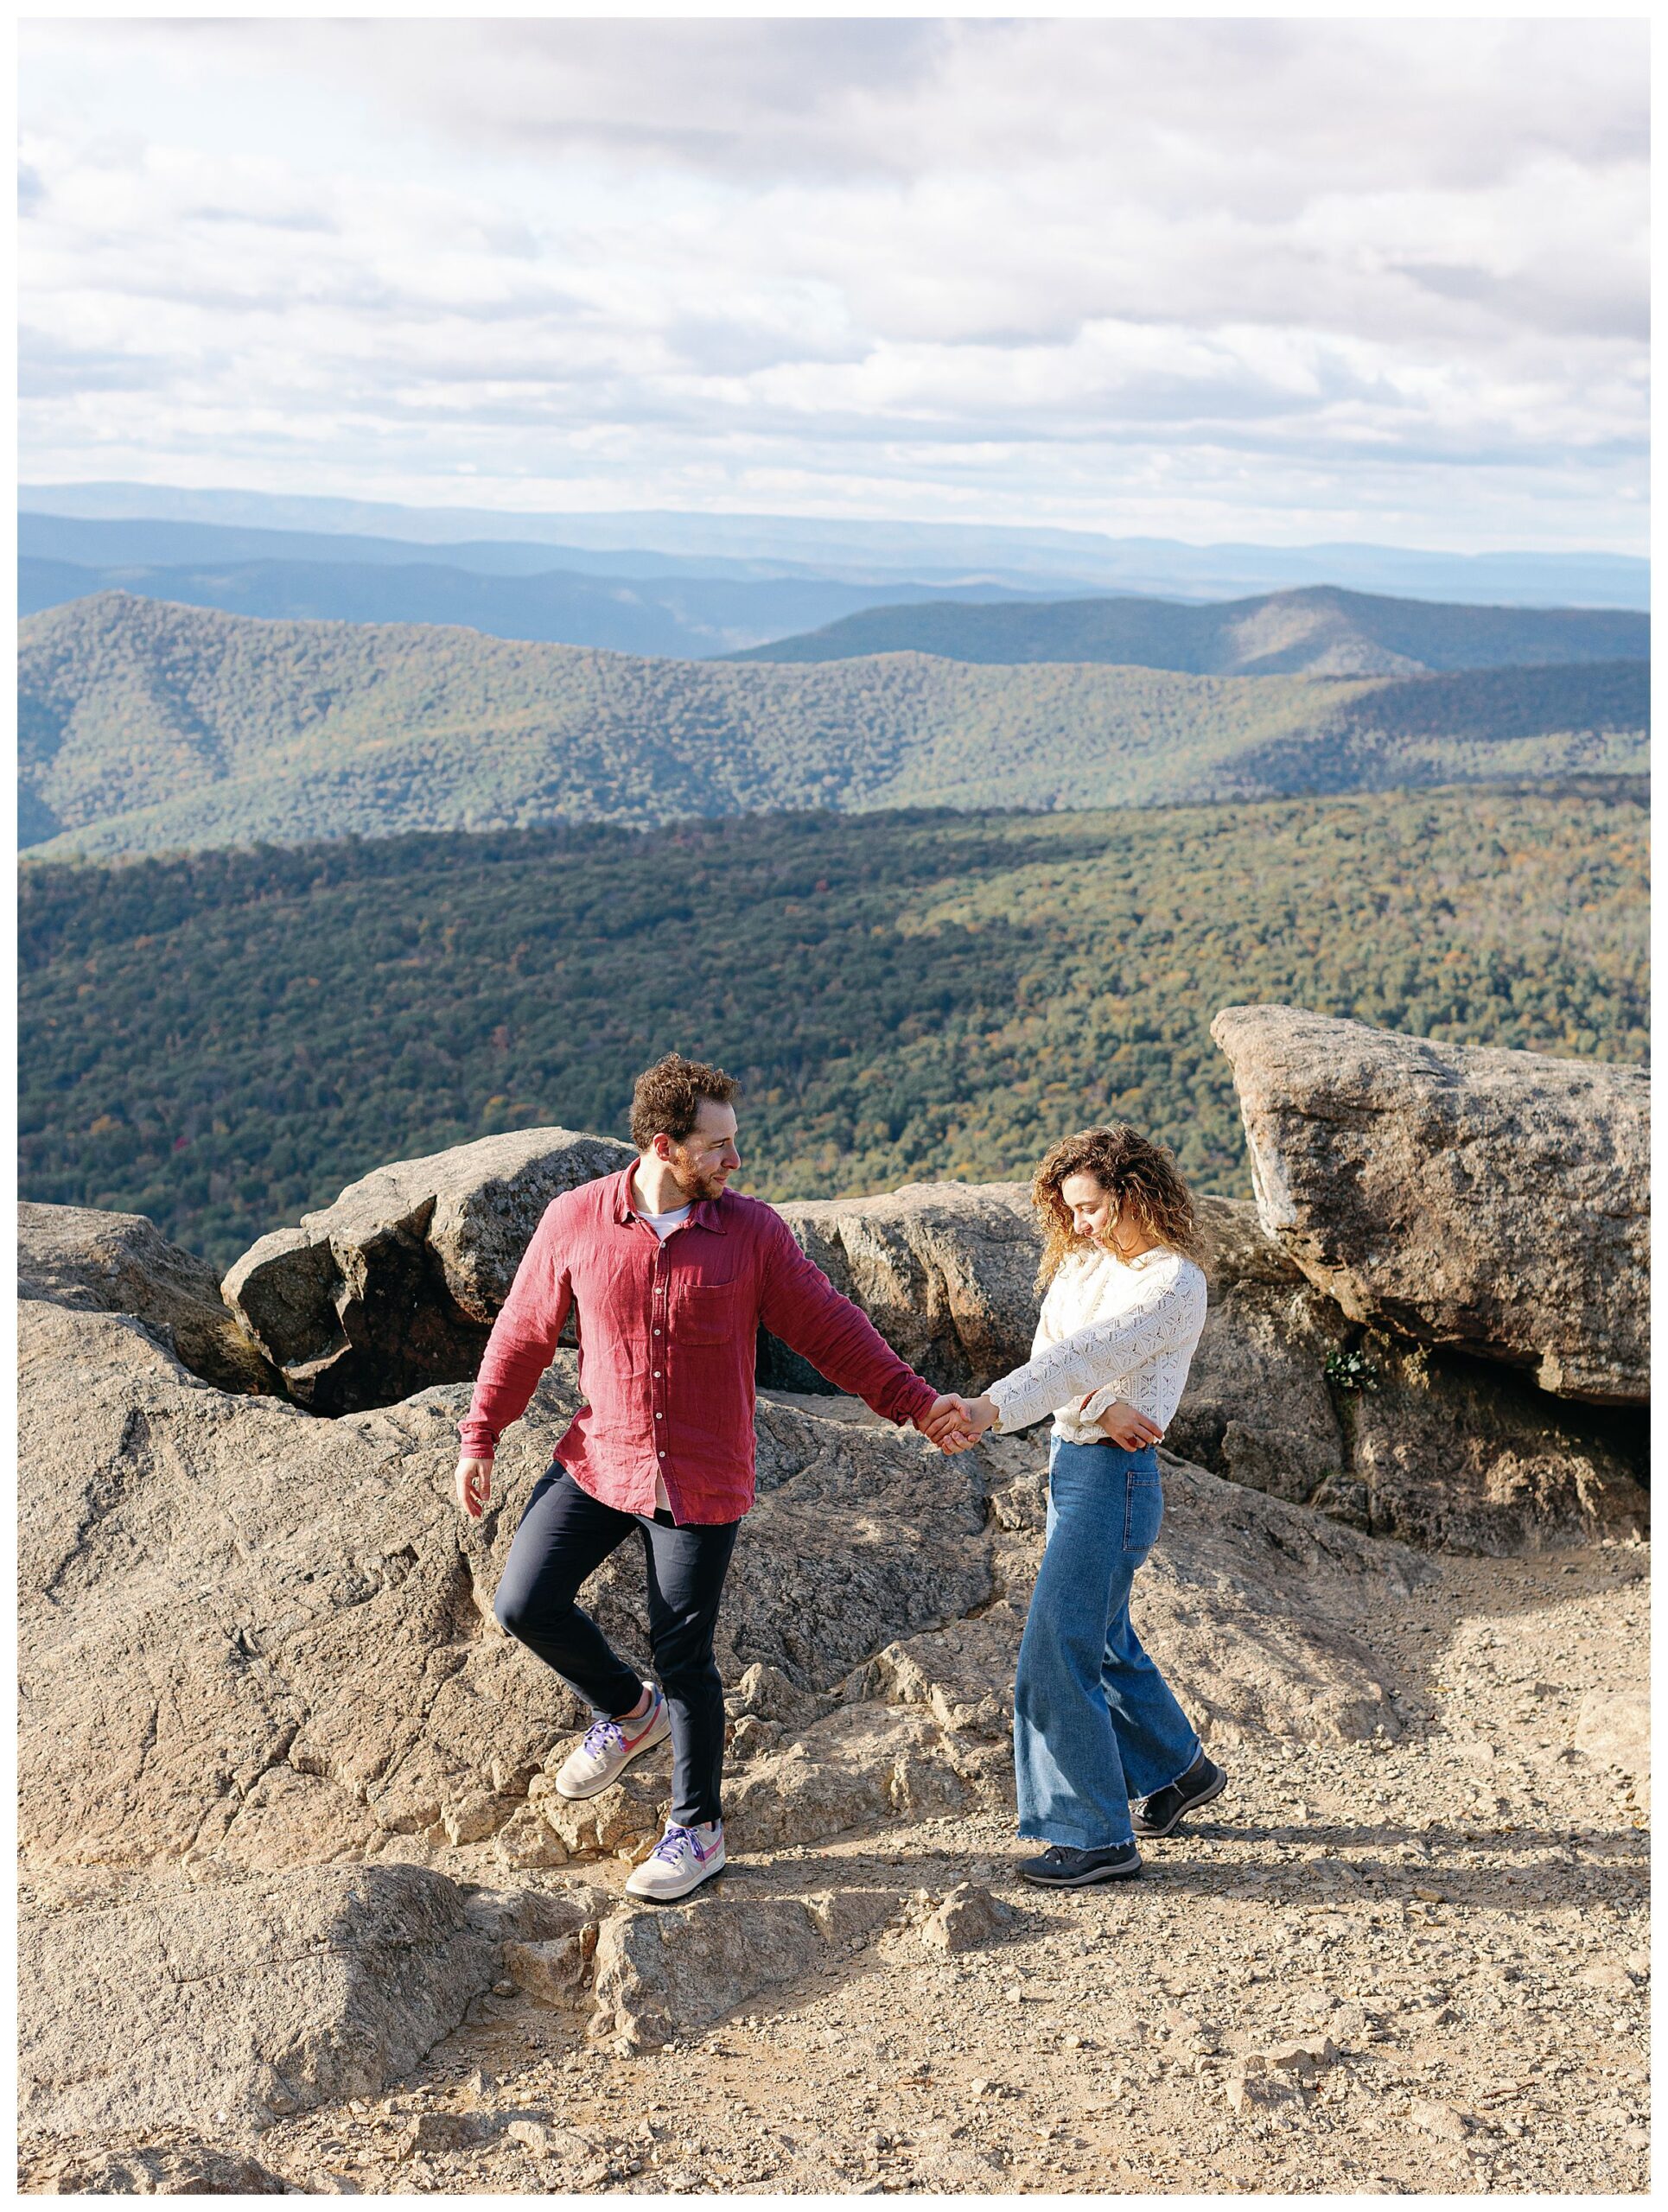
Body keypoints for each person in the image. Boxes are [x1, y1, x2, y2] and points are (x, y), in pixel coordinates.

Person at [452, 1052, 969, 1903]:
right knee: (522, 1602)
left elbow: (830, 1328)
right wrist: (482, 1436)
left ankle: (698, 1829)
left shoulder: (751, 1233)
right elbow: (522, 1334)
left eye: (735, 1142)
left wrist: (915, 1403)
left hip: (699, 1474)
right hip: (599, 1457)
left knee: (682, 1651)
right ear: (664, 1146)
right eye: (719, 1145)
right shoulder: (576, 1219)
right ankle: (626, 1712)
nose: (737, 1160)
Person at [947, 1126, 1226, 1887]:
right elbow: (1059, 1359)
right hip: (1072, 1463)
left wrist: (990, 1408)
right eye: (1070, 1209)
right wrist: (1099, 1402)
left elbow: (1087, 1356)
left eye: (1093, 1207)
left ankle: (1094, 1834)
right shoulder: (1079, 1267)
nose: (1079, 1225)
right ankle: (1178, 1772)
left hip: (1117, 1479)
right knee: (1100, 1637)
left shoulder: (1171, 1283)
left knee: (1054, 1650)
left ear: (1136, 1195)